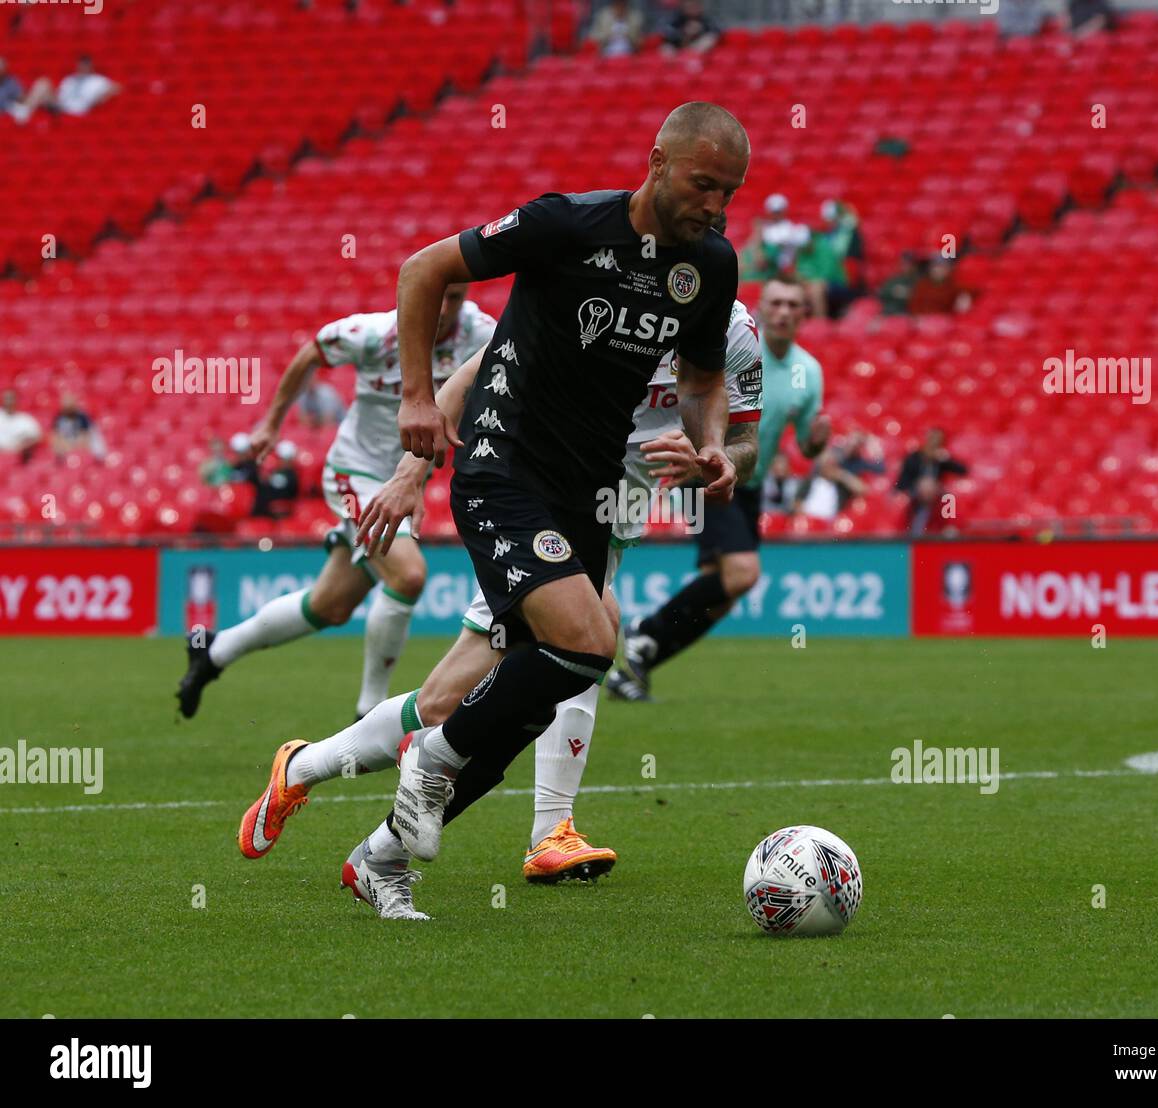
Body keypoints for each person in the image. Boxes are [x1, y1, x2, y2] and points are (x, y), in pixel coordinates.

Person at [233, 102, 748, 920]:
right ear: (656, 161)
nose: (716, 207)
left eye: (730, 192)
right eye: (704, 184)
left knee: (517, 702)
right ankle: (434, 767)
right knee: (587, 644)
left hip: (585, 498)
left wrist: (712, 444)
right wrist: (413, 412)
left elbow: (703, 381)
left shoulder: (710, 267)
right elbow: (421, 271)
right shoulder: (564, 225)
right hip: (502, 467)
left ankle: (379, 857)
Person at [175, 287, 496, 722]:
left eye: (453, 298)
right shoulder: (373, 333)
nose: (443, 310)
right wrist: (271, 424)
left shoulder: (481, 335)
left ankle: (213, 650)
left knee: (329, 605)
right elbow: (311, 353)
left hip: (403, 479)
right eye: (434, 296)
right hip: (353, 474)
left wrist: (418, 480)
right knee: (409, 574)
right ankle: (369, 712)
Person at [613, 274, 828, 698]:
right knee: (743, 572)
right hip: (704, 468)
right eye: (776, 303)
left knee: (724, 591)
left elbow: (805, 444)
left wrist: (816, 442)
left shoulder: (809, 371)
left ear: (805, 314)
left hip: (750, 483)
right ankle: (645, 630)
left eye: (793, 305)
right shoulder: (733, 342)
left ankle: (638, 663)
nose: (784, 312)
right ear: (762, 307)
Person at [797, 199, 866, 319]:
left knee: (816, 288)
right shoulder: (803, 250)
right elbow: (801, 272)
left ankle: (819, 324)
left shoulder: (827, 245)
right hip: (817, 282)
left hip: (838, 283)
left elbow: (826, 275)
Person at [896, 427, 967, 536]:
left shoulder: (942, 459)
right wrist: (919, 486)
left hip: (935, 492)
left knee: (948, 497)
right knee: (925, 491)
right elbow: (903, 480)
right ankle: (916, 532)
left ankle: (949, 527)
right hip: (915, 491)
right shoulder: (914, 457)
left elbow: (962, 471)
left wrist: (946, 460)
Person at [54, 56, 120, 117]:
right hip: (63, 110)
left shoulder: (97, 80)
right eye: (81, 65)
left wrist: (101, 98)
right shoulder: (69, 80)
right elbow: (59, 96)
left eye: (85, 66)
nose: (82, 68)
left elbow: (117, 88)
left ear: (90, 67)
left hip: (83, 110)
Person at [251, 441, 301, 518]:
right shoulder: (276, 473)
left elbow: (292, 492)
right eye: (282, 458)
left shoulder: (292, 476)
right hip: (265, 509)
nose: (283, 461)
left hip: (282, 510)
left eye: (286, 459)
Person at [907, 256, 972, 315]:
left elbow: (966, 295)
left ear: (949, 269)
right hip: (921, 320)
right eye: (935, 267)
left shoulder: (953, 286)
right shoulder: (922, 284)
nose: (938, 270)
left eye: (942, 267)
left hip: (944, 321)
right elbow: (914, 305)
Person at [49, 393, 99, 458]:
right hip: (66, 444)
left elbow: (85, 436)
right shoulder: (59, 417)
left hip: (79, 444)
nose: (67, 409)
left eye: (69, 407)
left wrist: (74, 447)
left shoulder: (82, 417)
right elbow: (55, 435)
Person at [0, 389, 42, 462]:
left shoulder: (25, 419)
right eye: (6, 398)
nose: (8, 402)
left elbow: (38, 437)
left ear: (16, 400)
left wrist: (22, 447)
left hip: (18, 456)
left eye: (11, 399)